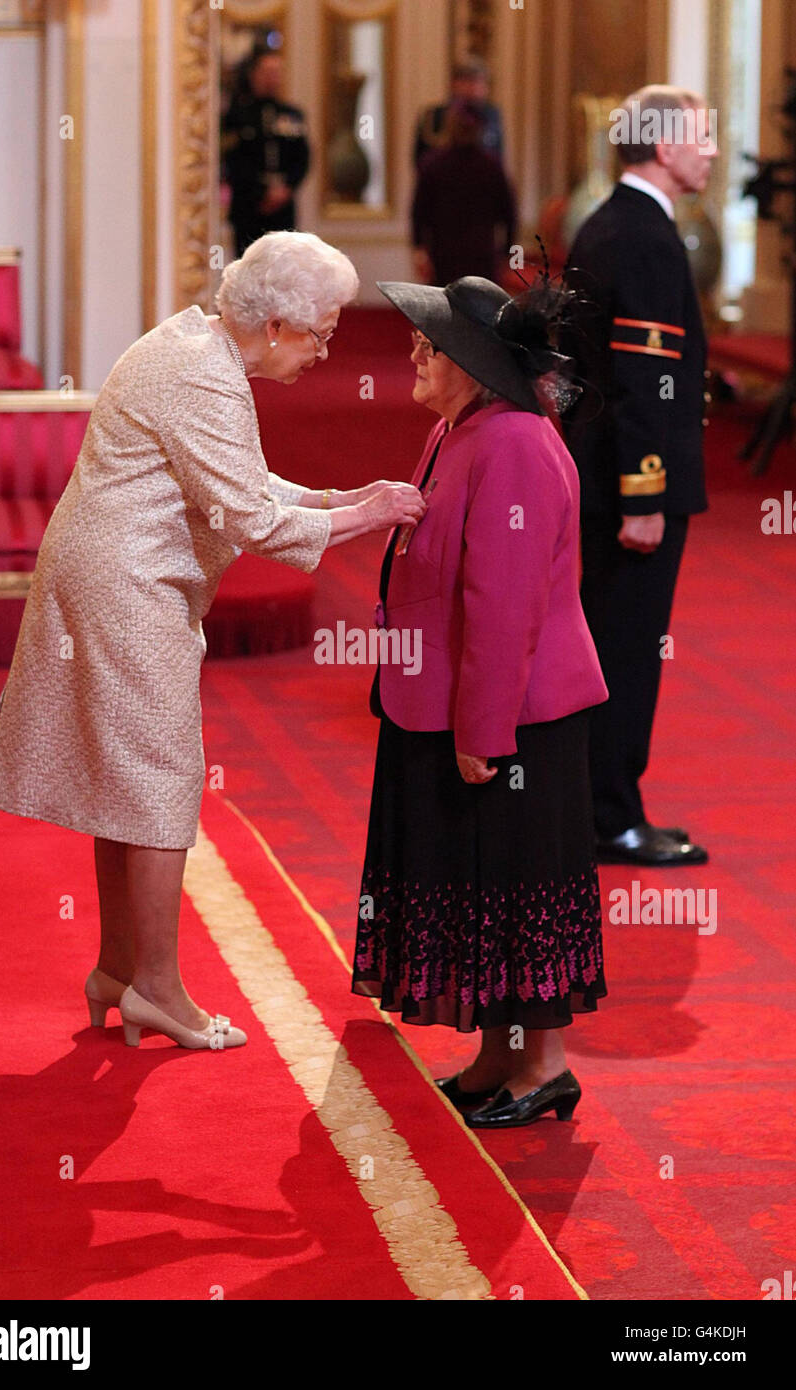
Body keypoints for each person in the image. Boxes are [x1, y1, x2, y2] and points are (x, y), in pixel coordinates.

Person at [0, 231, 425, 1052]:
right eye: (321, 332)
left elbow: (239, 481)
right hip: (126, 587)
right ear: (278, 323)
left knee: (124, 778)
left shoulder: (197, 345)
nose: (326, 350)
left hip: (112, 574)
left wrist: (341, 494)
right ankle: (156, 988)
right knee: (157, 777)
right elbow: (249, 517)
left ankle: (118, 969)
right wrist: (367, 515)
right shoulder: (202, 373)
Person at [351, 274, 609, 1128]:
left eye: (430, 343)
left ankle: (542, 1068)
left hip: (514, 716)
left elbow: (505, 605)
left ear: (474, 362)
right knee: (476, 885)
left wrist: (482, 728)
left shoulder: (515, 446)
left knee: (514, 881)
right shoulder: (462, 427)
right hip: (453, 700)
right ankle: (498, 1055)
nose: (415, 353)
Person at [560, 85, 717, 867]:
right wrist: (645, 495)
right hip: (627, 485)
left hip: (601, 474)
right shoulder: (645, 236)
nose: (713, 151)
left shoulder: (613, 222)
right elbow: (641, 382)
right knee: (624, 650)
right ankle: (611, 819)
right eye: (702, 135)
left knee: (612, 645)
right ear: (661, 145)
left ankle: (601, 808)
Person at [412, 100, 517, 285]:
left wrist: (419, 249)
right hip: (476, 254)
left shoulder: (433, 164)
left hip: (448, 253)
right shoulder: (492, 166)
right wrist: (507, 252)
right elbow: (509, 215)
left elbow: (419, 212)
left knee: (445, 309)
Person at [221, 48, 309, 257]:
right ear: (254, 74)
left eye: (276, 72)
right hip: (248, 205)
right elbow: (232, 160)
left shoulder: (291, 115)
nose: (272, 78)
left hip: (283, 208)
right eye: (267, 72)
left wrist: (286, 188)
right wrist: (261, 191)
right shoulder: (236, 116)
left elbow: (303, 157)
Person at [414, 55, 504, 170]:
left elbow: (498, 155)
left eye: (480, 82)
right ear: (455, 84)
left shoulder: (492, 115)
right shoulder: (433, 116)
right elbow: (420, 157)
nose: (475, 88)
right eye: (469, 81)